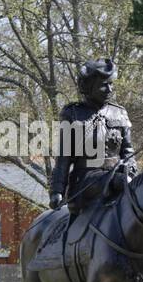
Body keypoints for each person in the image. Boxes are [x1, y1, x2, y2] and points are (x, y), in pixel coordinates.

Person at [48, 58, 136, 214]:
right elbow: (63, 158)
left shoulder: (120, 113)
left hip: (117, 178)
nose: (109, 89)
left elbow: (128, 153)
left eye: (111, 84)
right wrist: (56, 191)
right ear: (89, 87)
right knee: (120, 182)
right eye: (104, 85)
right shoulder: (73, 114)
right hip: (85, 183)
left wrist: (128, 167)